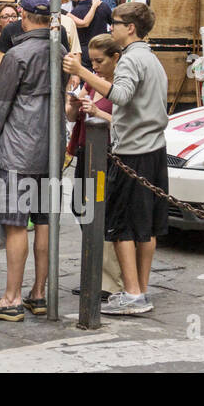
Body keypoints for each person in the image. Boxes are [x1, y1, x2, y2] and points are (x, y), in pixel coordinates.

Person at [62, 1, 170, 317]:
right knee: (146, 226)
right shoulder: (151, 59)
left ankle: (133, 293)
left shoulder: (131, 60)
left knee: (122, 226)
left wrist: (81, 72)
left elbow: (120, 96)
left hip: (133, 151)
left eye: (115, 23)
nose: (112, 28)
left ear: (130, 27)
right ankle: (141, 289)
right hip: (153, 148)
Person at [0, 0, 54, 323]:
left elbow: (1, 103)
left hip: (20, 149)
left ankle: (11, 298)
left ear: (22, 15)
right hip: (49, 148)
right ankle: (38, 294)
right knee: (45, 221)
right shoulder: (59, 50)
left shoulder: (17, 55)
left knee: (16, 223)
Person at [66, 34, 125, 300]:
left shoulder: (121, 86)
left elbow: (126, 124)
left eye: (100, 61)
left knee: (99, 214)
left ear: (116, 58)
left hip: (106, 156)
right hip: (85, 151)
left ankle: (108, 281)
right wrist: (73, 106)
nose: (95, 66)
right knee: (81, 208)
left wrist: (97, 112)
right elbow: (72, 116)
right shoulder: (92, 81)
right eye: (92, 62)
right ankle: (94, 271)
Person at [67, 0, 109, 67]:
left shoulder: (74, 13)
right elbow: (113, 24)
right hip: (103, 48)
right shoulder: (103, 6)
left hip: (84, 52)